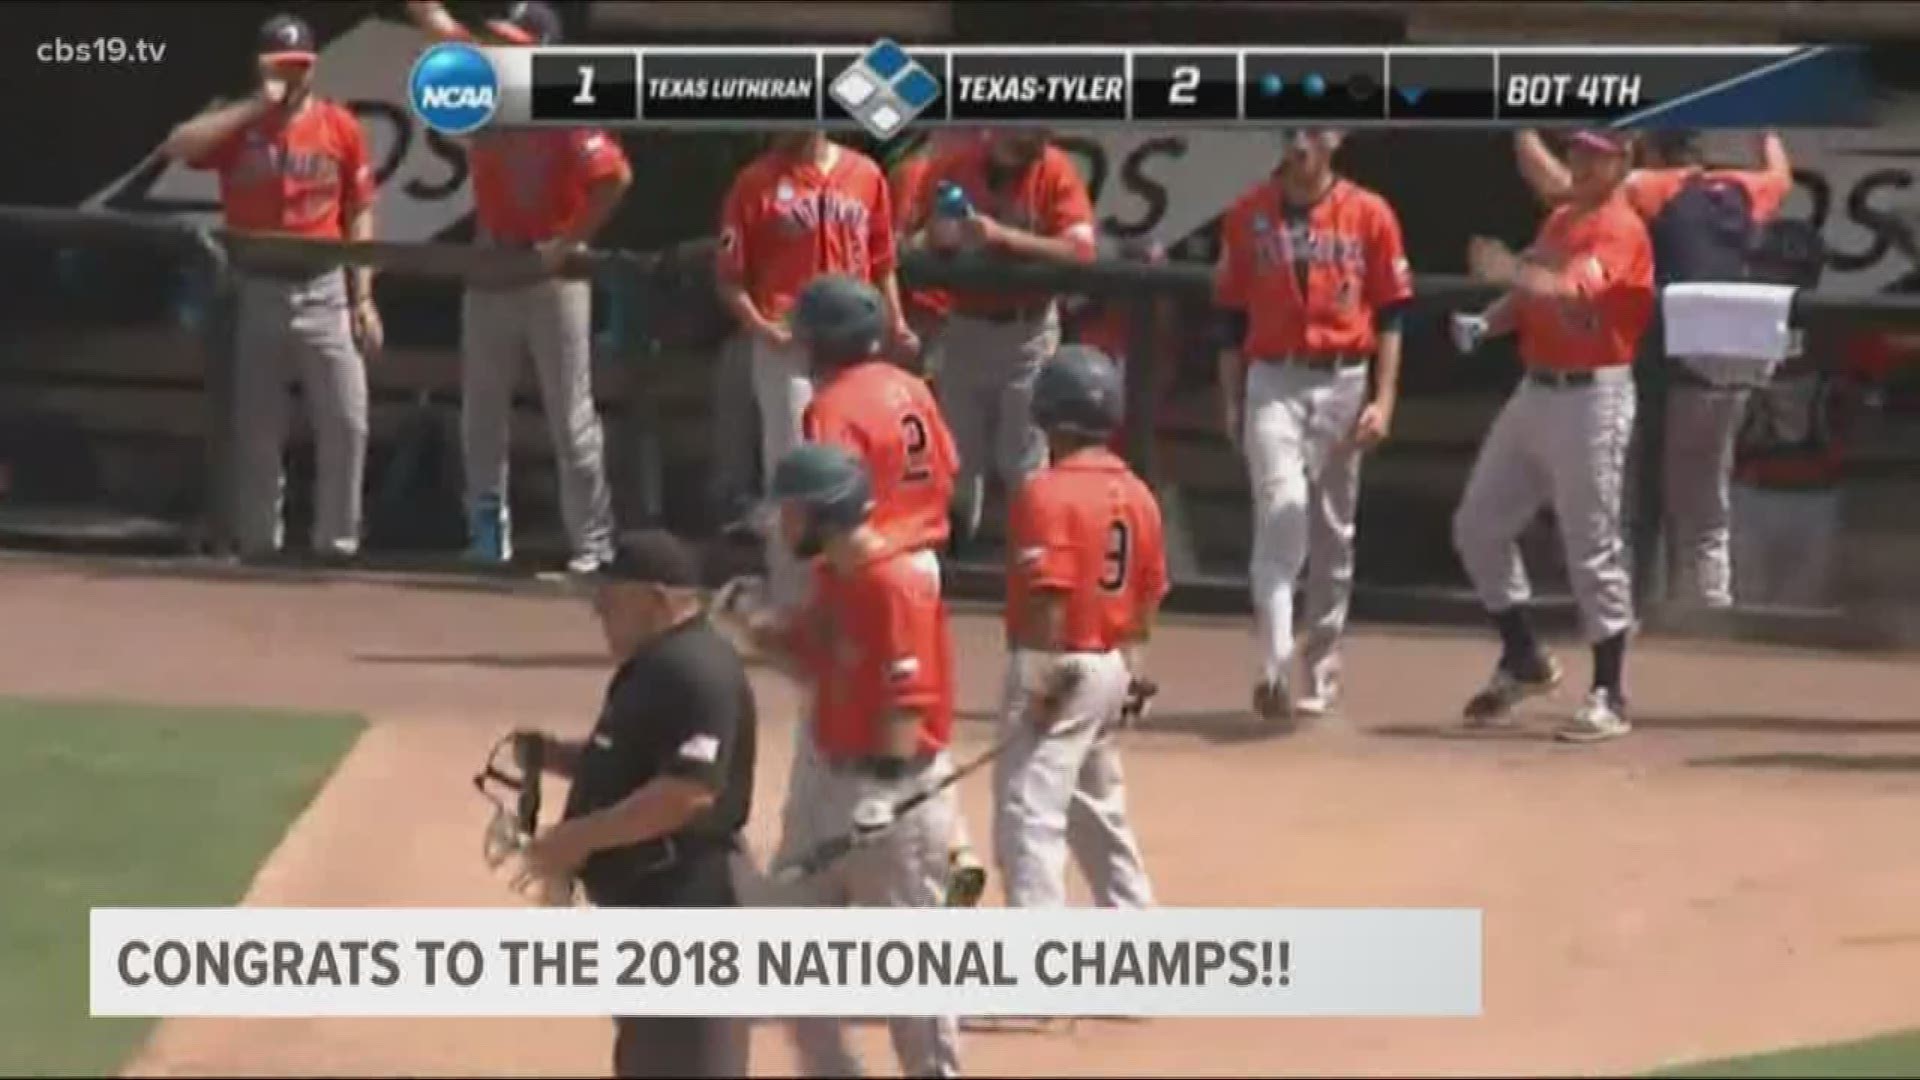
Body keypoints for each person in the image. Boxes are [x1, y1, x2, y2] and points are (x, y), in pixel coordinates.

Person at [749, 442, 963, 1078]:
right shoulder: (832, 578)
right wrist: (753, 631)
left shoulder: (894, 585)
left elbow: (908, 704)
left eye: (790, 513)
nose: (781, 526)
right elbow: (812, 663)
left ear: (825, 515)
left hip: (895, 797)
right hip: (828, 784)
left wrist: (885, 794)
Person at [1515, 128, 1794, 609]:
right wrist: (1763, 129)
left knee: (1619, 492)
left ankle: (1618, 609)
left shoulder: (1648, 185)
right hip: (1725, 365)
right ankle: (1710, 615)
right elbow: (1781, 175)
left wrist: (1519, 132)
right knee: (1704, 505)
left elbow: (1560, 189)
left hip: (1659, 362)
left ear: (1647, 151)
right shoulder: (1742, 188)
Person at [513, 529, 757, 1078]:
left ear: (656, 599)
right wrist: (558, 756)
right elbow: (640, 762)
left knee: (687, 1063)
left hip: (692, 907)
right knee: (649, 1058)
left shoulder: (697, 669)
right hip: (650, 903)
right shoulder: (656, 663)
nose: (598, 609)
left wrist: (577, 838)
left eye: (611, 597)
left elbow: (686, 792)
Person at [406, 0, 628, 574]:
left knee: (569, 416)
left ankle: (592, 545)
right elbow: (438, 25)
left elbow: (614, 177)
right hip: (492, 261)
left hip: (549, 269)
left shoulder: (563, 102)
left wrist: (570, 242)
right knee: (481, 411)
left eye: (517, 45)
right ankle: (487, 536)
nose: (504, 51)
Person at [1450, 129, 1655, 743]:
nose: (1583, 162)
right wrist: (1487, 323)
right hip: (1536, 390)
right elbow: (1530, 293)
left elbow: (1569, 288)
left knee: (1590, 545)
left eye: (1597, 154)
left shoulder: (1621, 228)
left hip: (1595, 395)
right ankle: (1524, 658)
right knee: (1478, 526)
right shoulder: (1564, 218)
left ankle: (1609, 693)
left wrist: (1510, 268)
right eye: (1578, 152)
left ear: (1622, 164)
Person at [789, 273, 987, 905]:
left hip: (871, 570)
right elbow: (952, 469)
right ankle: (954, 845)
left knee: (836, 715)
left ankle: (809, 857)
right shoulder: (910, 385)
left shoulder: (833, 404)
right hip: (922, 561)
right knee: (924, 716)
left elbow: (826, 495)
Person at [160, 13, 380, 564]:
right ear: (261, 66)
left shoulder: (338, 125)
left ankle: (337, 545)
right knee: (259, 431)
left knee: (347, 422)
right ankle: (261, 547)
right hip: (259, 286)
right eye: (280, 64)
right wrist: (258, 104)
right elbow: (179, 146)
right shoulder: (238, 125)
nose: (291, 75)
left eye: (299, 65)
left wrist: (364, 295)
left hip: (325, 286)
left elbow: (361, 211)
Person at [1212, 129, 1412, 726]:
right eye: (1290, 130)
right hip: (1273, 376)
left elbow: (1393, 309)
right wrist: (1230, 398)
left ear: (1336, 139)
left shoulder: (1369, 211)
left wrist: (1385, 397)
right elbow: (1227, 316)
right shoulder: (1248, 213)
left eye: (1312, 129)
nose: (1299, 142)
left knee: (1332, 534)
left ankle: (1320, 668)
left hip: (1344, 378)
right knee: (1283, 514)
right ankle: (1273, 665)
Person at [995, 345, 1163, 914]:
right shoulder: (1139, 493)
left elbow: (1048, 594)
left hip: (1059, 664)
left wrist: (1043, 685)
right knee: (1097, 809)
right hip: (1111, 664)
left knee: (1028, 815)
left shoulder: (1046, 491)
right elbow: (1147, 596)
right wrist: (1133, 671)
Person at [716, 131, 912, 609]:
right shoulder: (756, 181)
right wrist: (761, 328)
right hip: (790, 342)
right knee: (792, 469)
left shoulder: (865, 174)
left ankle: (852, 599)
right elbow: (728, 275)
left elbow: (883, 259)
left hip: (854, 344)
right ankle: (790, 601)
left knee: (858, 468)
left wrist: (897, 321)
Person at [911, 128, 1097, 547]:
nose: (1032, 139)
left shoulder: (1054, 171)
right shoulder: (955, 167)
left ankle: (1035, 557)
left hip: (1026, 330)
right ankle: (952, 560)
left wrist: (1004, 238)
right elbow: (915, 240)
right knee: (958, 456)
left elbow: (1082, 252)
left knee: (1023, 457)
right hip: (965, 325)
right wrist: (939, 240)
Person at [887, 129, 976, 379]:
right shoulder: (916, 173)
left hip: (967, 312)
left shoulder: (981, 175)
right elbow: (895, 245)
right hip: (920, 310)